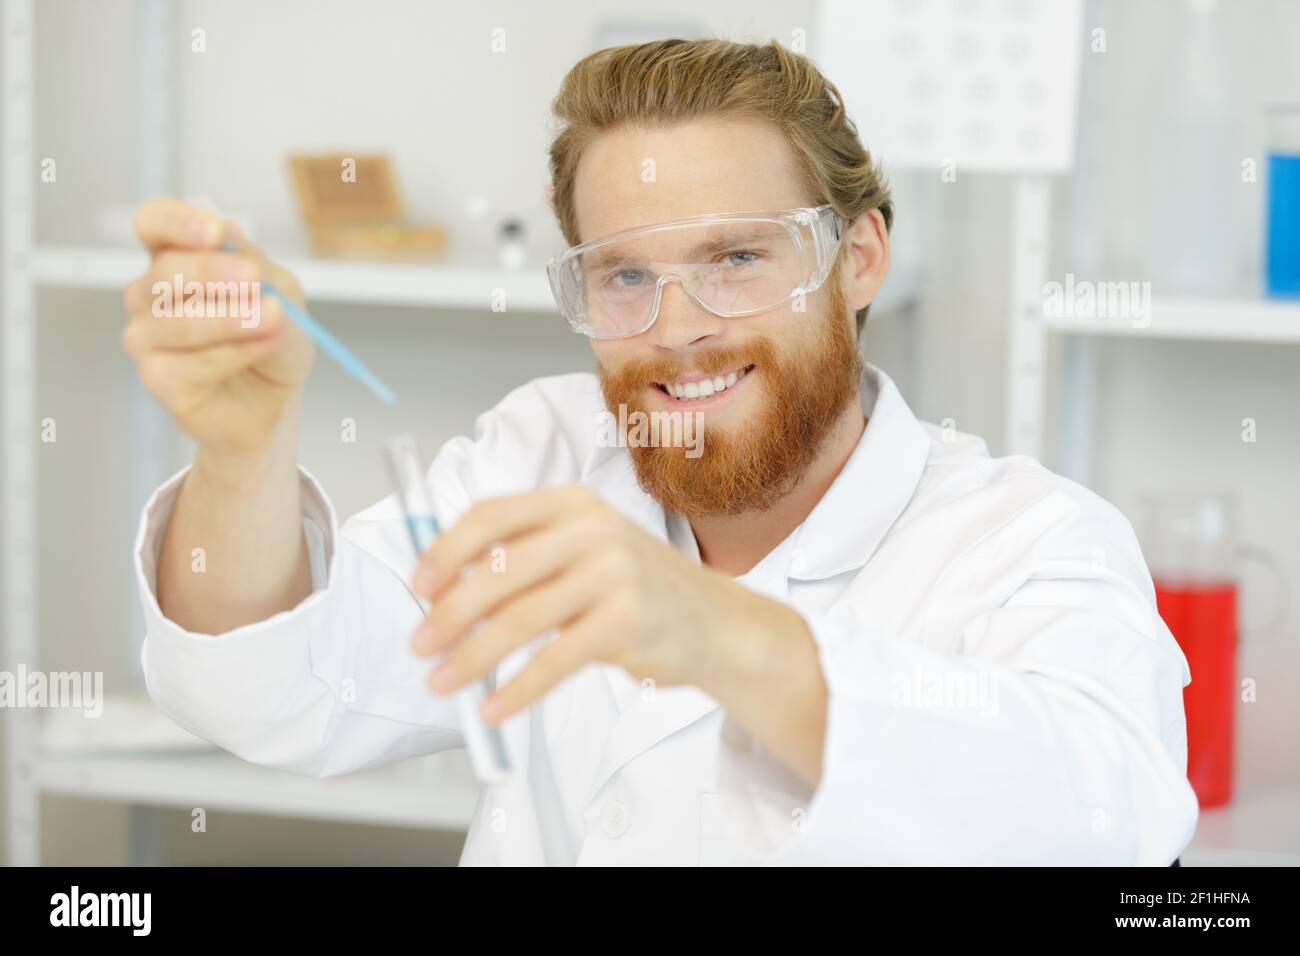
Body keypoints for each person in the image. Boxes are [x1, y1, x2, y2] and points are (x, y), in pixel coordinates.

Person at [120, 38, 1197, 865]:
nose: (677, 326)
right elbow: (282, 688)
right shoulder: (544, 453)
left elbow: (1107, 822)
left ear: (859, 256)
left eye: (734, 257)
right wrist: (242, 452)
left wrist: (716, 632)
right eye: (625, 275)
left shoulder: (1024, 541)